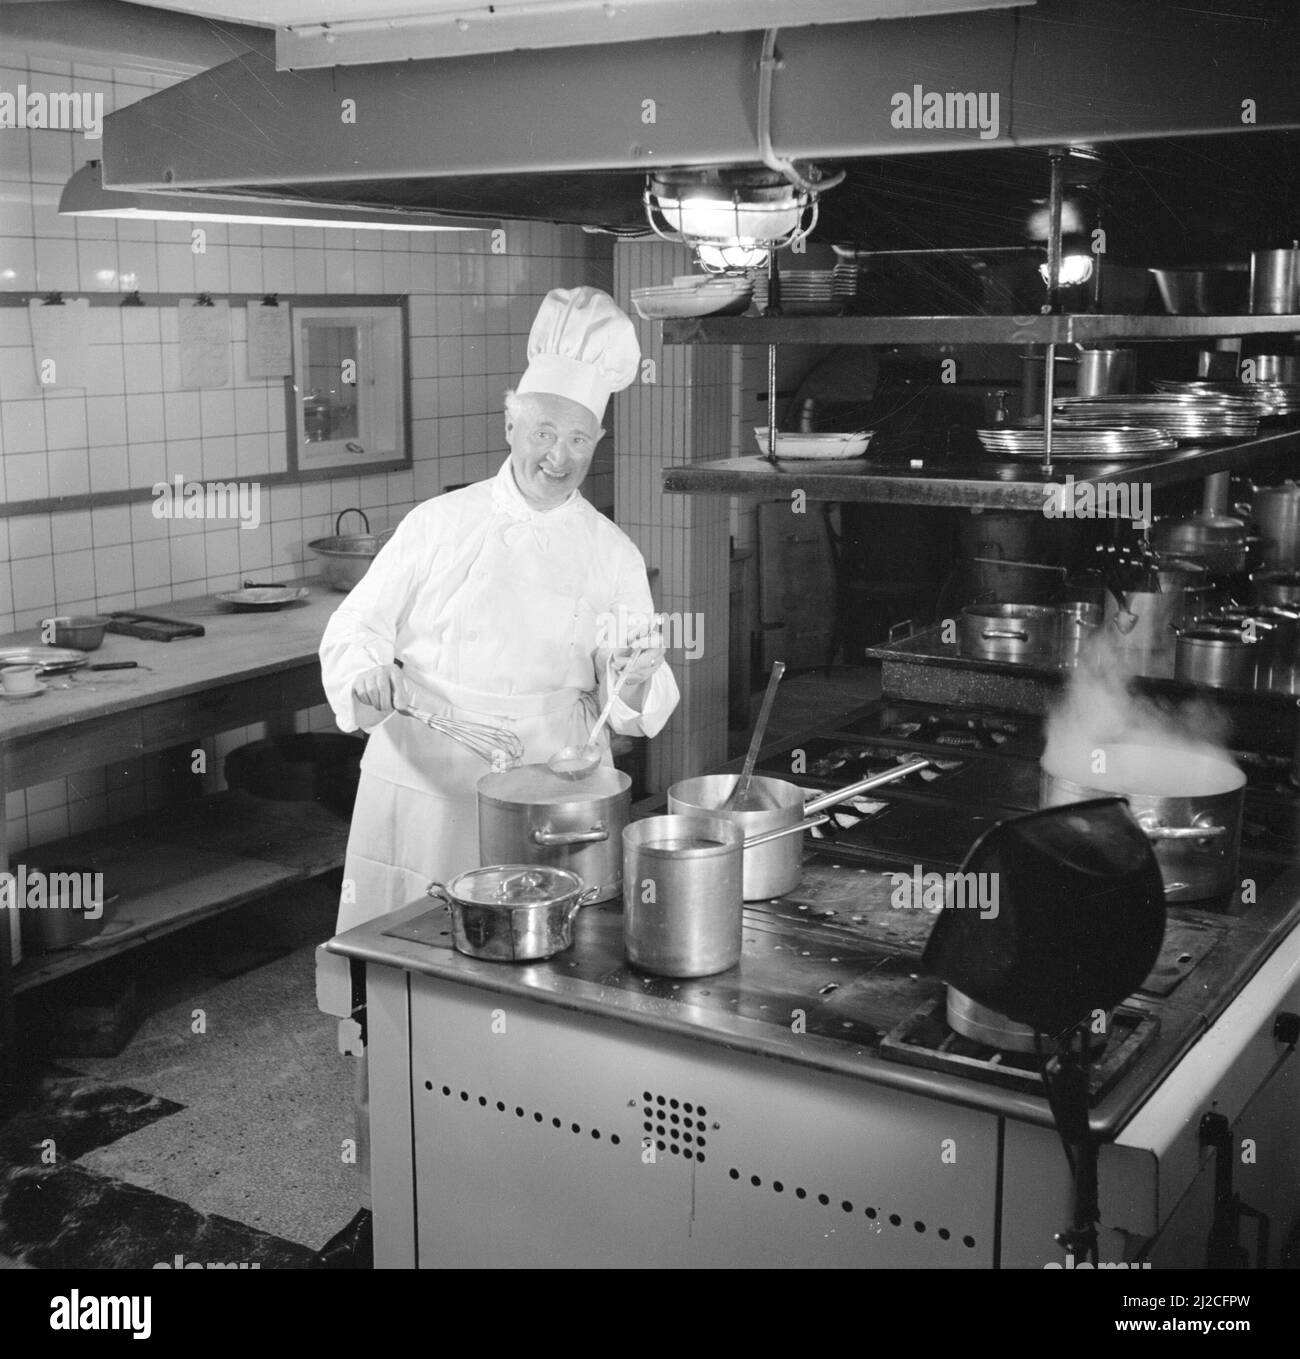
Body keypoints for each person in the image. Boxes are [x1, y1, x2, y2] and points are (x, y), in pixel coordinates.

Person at [311, 287, 679, 1267]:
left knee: (543, 1010)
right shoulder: (438, 527)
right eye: (544, 432)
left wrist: (638, 681)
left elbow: (645, 694)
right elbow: (354, 631)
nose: (558, 458)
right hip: (425, 801)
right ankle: (398, 1196)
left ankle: (529, 1207)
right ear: (511, 418)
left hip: (545, 808)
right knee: (403, 1002)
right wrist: (363, 673)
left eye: (579, 442)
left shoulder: (609, 553)